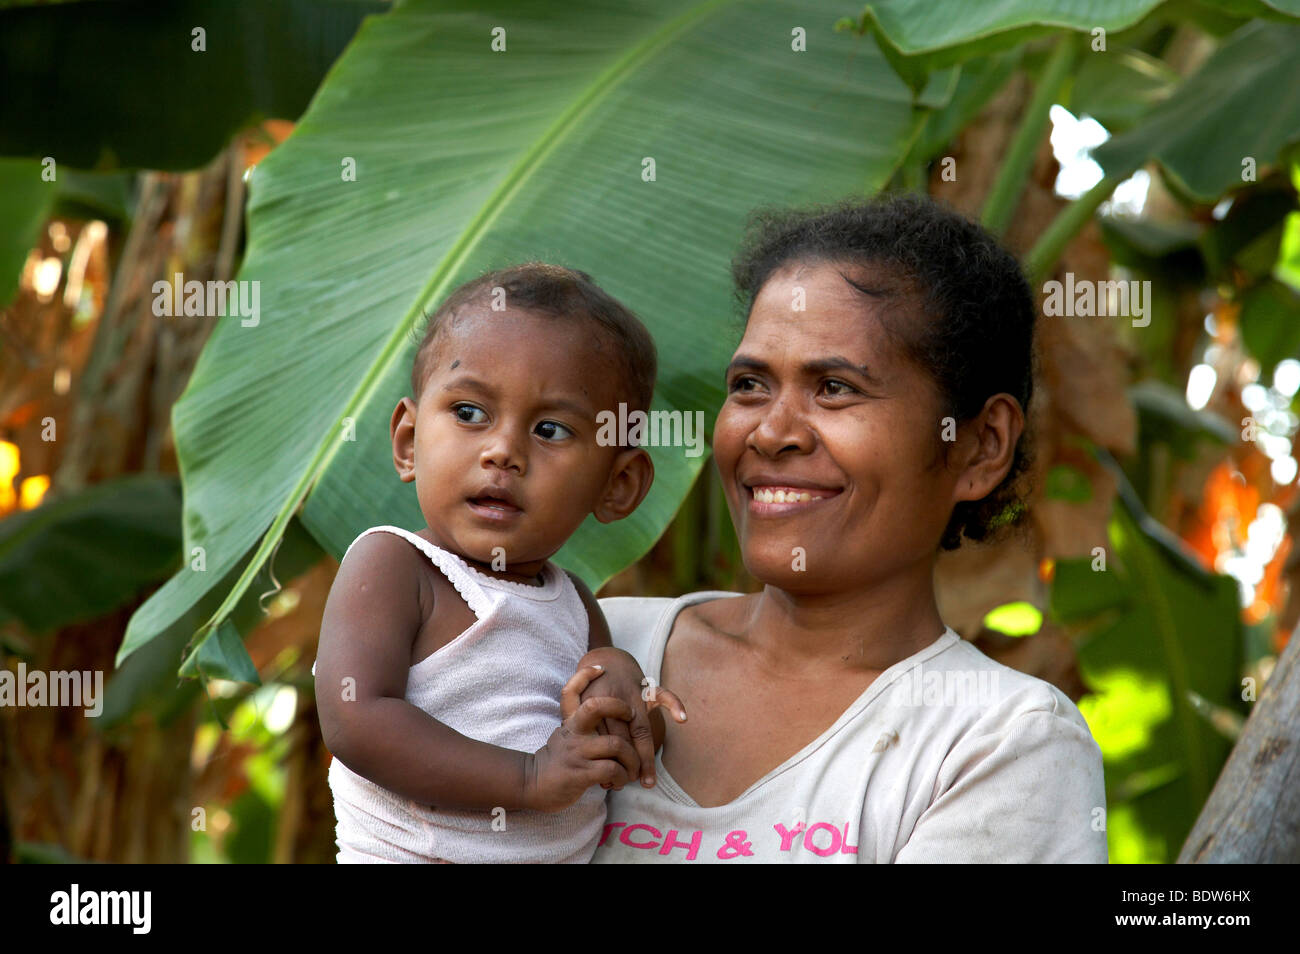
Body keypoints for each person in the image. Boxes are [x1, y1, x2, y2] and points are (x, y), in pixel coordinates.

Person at [585, 194, 1108, 863]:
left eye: (834, 388)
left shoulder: (1001, 743)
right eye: (750, 385)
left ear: (981, 446)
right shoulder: (592, 640)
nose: (771, 432)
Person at [314, 263, 684, 863]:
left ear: (618, 484)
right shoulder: (395, 566)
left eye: (551, 429)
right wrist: (529, 779)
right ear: (408, 442)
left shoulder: (574, 605)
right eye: (469, 413)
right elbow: (355, 720)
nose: (503, 451)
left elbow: (617, 757)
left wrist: (621, 685)